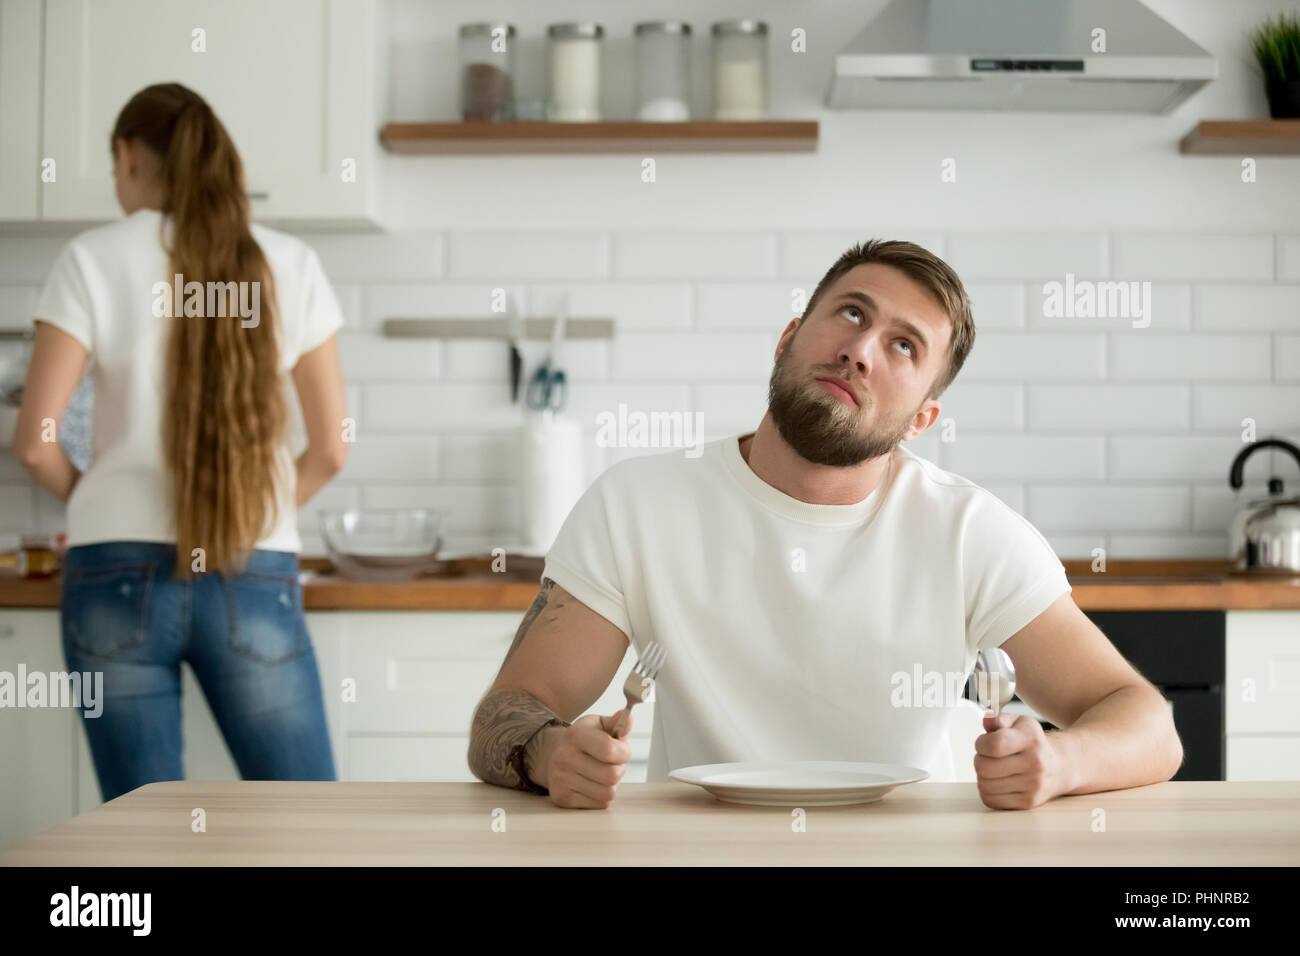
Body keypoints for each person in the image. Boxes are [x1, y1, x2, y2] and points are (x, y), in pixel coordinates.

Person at [468, 239, 1184, 811]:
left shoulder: (969, 530)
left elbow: (1147, 724)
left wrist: (1058, 762)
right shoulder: (636, 504)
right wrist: (551, 755)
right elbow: (509, 711)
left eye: (905, 346)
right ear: (788, 338)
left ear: (924, 417)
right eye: (850, 314)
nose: (862, 349)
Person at [13, 83, 348, 802]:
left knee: (142, 833)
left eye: (114, 166)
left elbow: (35, 442)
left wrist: (98, 500)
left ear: (131, 158)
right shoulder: (289, 264)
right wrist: (258, 512)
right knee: (308, 821)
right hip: (252, 566)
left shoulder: (89, 258)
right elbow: (330, 450)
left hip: (111, 573)